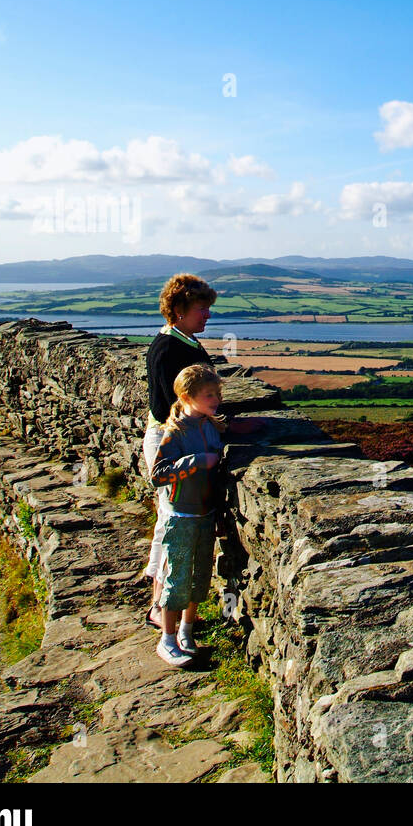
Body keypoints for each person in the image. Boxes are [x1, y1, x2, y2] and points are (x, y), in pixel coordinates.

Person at [142, 273, 263, 629]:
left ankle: (160, 605)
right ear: (178, 310)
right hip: (173, 442)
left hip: (182, 440)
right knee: (173, 526)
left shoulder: (184, 342)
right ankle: (161, 611)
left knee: (169, 524)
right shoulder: (168, 349)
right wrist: (223, 426)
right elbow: (173, 406)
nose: (208, 315)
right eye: (201, 309)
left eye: (208, 309)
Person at [148, 364, 228, 667]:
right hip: (180, 515)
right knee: (176, 577)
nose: (216, 400)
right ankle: (166, 640)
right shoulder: (176, 432)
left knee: (198, 578)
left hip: (205, 512)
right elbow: (158, 475)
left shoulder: (211, 424)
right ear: (187, 396)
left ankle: (186, 631)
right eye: (209, 395)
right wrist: (195, 461)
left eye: (217, 394)